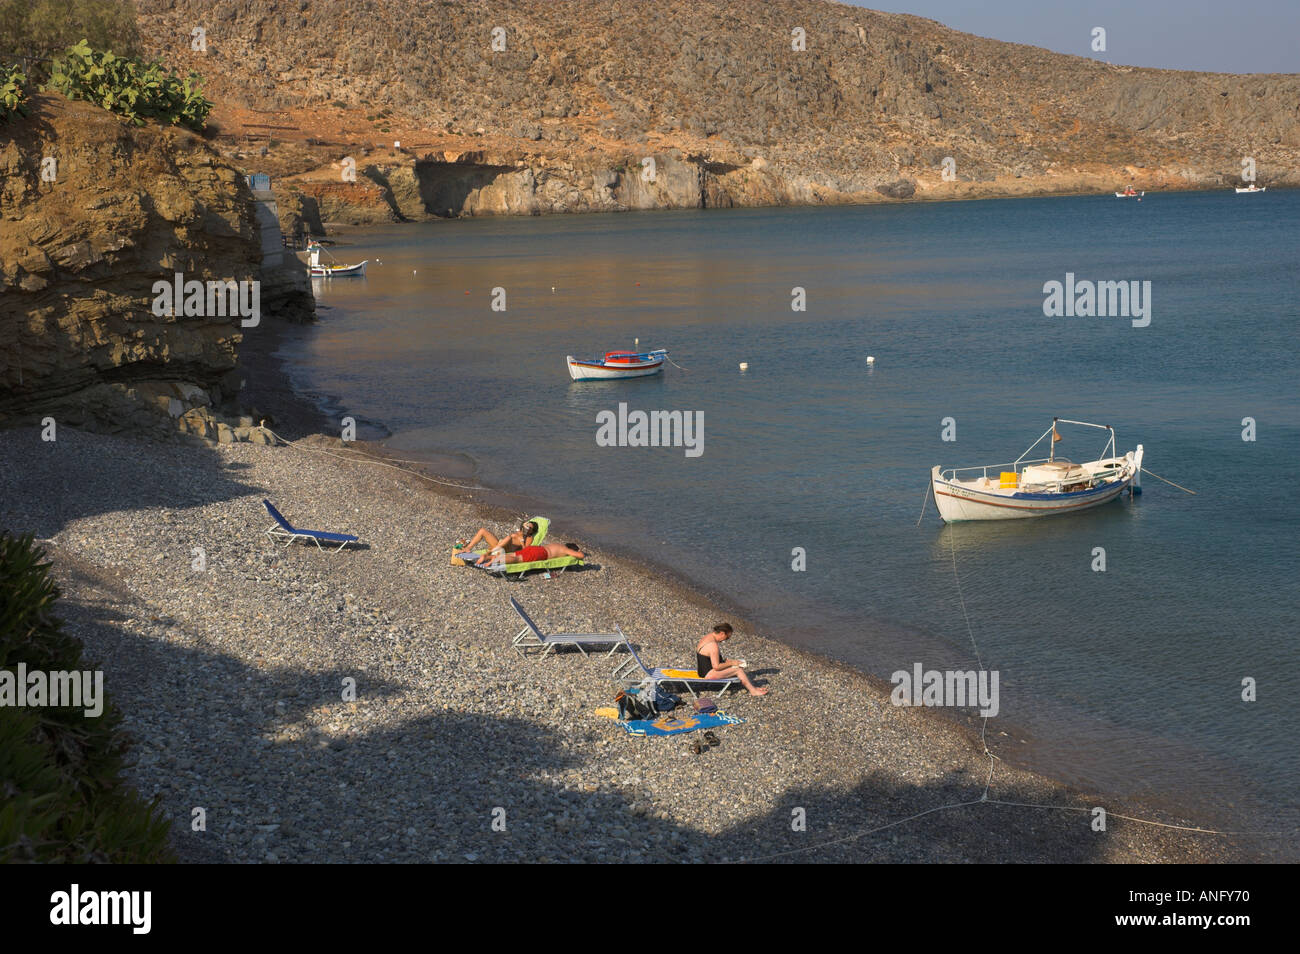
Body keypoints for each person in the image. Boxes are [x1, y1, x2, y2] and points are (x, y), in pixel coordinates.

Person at [696, 623, 768, 696]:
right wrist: (731, 663)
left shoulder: (707, 637)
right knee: (738, 670)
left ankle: (753, 687)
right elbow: (716, 667)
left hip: (702, 672)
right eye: (727, 638)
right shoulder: (713, 645)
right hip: (709, 674)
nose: (725, 640)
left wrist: (727, 662)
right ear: (722, 633)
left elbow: (707, 659)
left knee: (736, 667)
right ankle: (753, 691)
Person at [458, 520, 538, 556]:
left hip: (507, 550)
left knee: (509, 537)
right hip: (500, 545)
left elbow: (525, 551)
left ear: (532, 531)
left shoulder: (529, 538)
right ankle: (468, 548)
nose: (528, 528)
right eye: (527, 526)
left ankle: (489, 553)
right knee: (483, 531)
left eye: (530, 528)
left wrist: (521, 542)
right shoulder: (519, 532)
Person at [477, 541, 584, 567]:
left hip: (536, 548)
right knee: (516, 559)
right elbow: (581, 556)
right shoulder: (564, 549)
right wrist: (578, 552)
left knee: (514, 555)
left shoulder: (557, 544)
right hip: (541, 553)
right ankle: (494, 560)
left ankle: (488, 556)